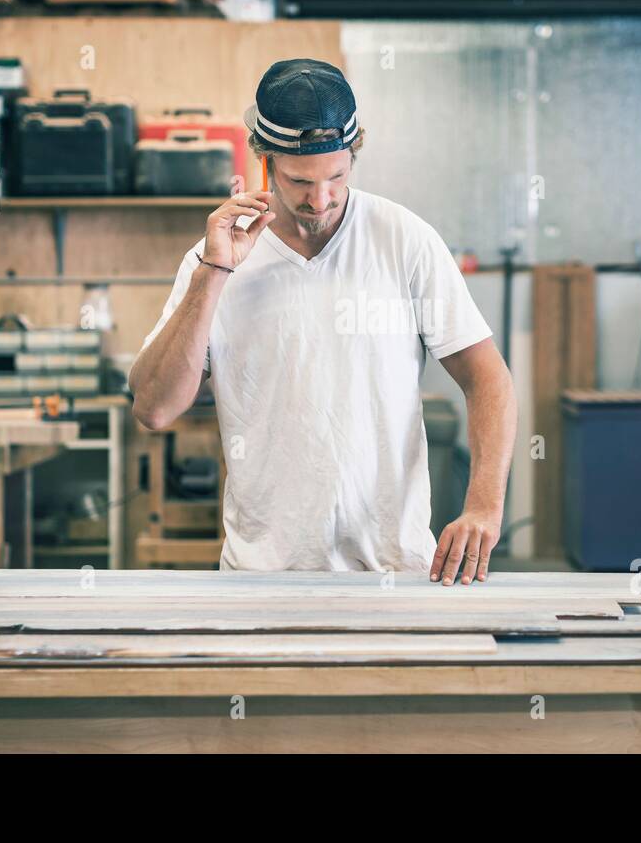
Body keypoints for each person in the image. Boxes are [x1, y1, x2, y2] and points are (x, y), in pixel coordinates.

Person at [130, 58, 516, 585]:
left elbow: (488, 378)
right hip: (261, 576)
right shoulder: (215, 258)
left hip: (392, 570)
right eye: (299, 181)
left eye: (336, 176)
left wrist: (484, 507)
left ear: (354, 155)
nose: (321, 198)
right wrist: (213, 272)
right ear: (264, 161)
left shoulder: (404, 240)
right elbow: (153, 408)